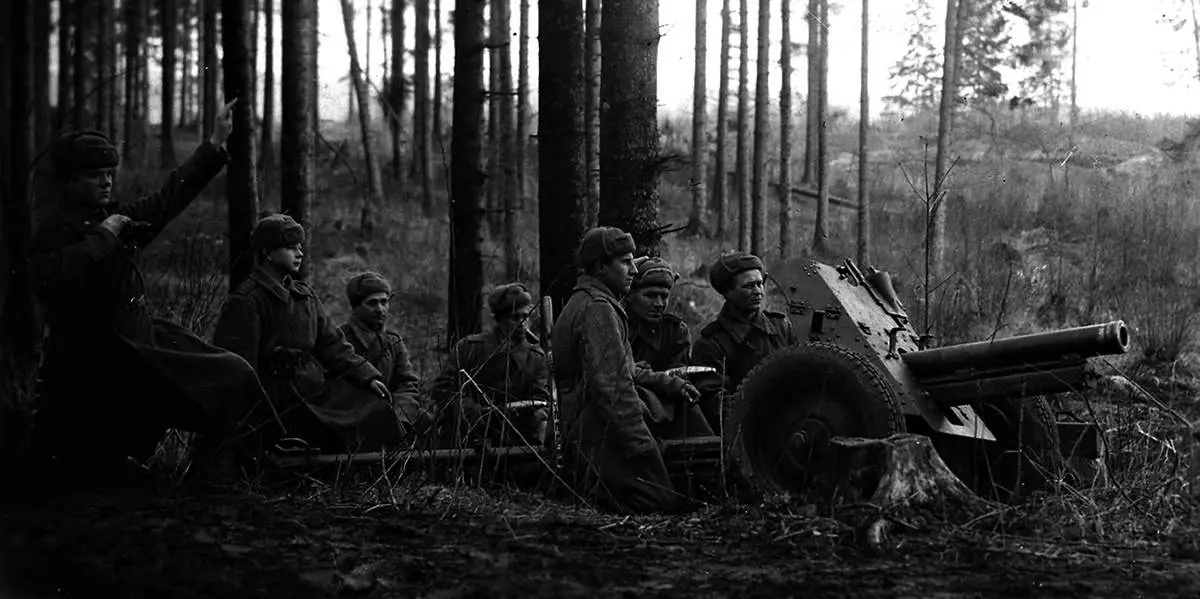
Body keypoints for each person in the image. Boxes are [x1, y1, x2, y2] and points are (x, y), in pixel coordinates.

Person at [27, 99, 261, 489]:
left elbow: (166, 200)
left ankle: (209, 465)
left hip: (139, 340)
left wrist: (214, 145)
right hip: (101, 358)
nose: (106, 181)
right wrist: (104, 238)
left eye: (109, 173)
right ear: (69, 181)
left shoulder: (110, 219)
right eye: (93, 175)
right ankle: (121, 463)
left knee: (233, 372)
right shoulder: (56, 230)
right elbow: (49, 276)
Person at [211, 214, 397, 454]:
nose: (299, 254)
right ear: (267, 253)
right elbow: (237, 369)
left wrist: (368, 377)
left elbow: (334, 346)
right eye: (290, 248)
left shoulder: (304, 297)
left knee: (374, 406)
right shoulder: (246, 301)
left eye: (300, 248)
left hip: (313, 393)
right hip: (274, 403)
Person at [551, 226, 686, 514]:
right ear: (600, 267)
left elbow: (623, 368)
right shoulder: (597, 308)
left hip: (592, 426)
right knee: (660, 501)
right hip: (597, 430)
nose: (634, 270)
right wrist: (640, 446)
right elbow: (612, 386)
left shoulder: (588, 301)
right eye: (625, 262)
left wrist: (664, 380)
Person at [430, 283, 552, 448]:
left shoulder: (535, 357)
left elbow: (542, 399)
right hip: (469, 436)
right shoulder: (470, 348)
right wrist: (471, 411)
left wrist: (534, 415)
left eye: (526, 316)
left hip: (518, 438)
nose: (522, 323)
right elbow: (443, 389)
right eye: (515, 317)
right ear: (500, 320)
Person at [691, 251, 798, 433]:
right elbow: (716, 406)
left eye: (760, 284)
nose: (758, 291)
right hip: (747, 434)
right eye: (748, 286)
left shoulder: (781, 327)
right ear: (728, 292)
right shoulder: (710, 344)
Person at [337, 272, 433, 443]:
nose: (380, 309)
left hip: (394, 414)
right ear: (356, 307)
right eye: (372, 303)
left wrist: (399, 415)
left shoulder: (393, 342)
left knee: (426, 421)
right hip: (353, 417)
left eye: (384, 302)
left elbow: (407, 383)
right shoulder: (340, 341)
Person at [625, 257, 713, 440]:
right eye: (650, 295)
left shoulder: (674, 331)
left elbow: (678, 374)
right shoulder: (618, 325)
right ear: (630, 295)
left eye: (664, 296)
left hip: (667, 402)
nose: (659, 304)